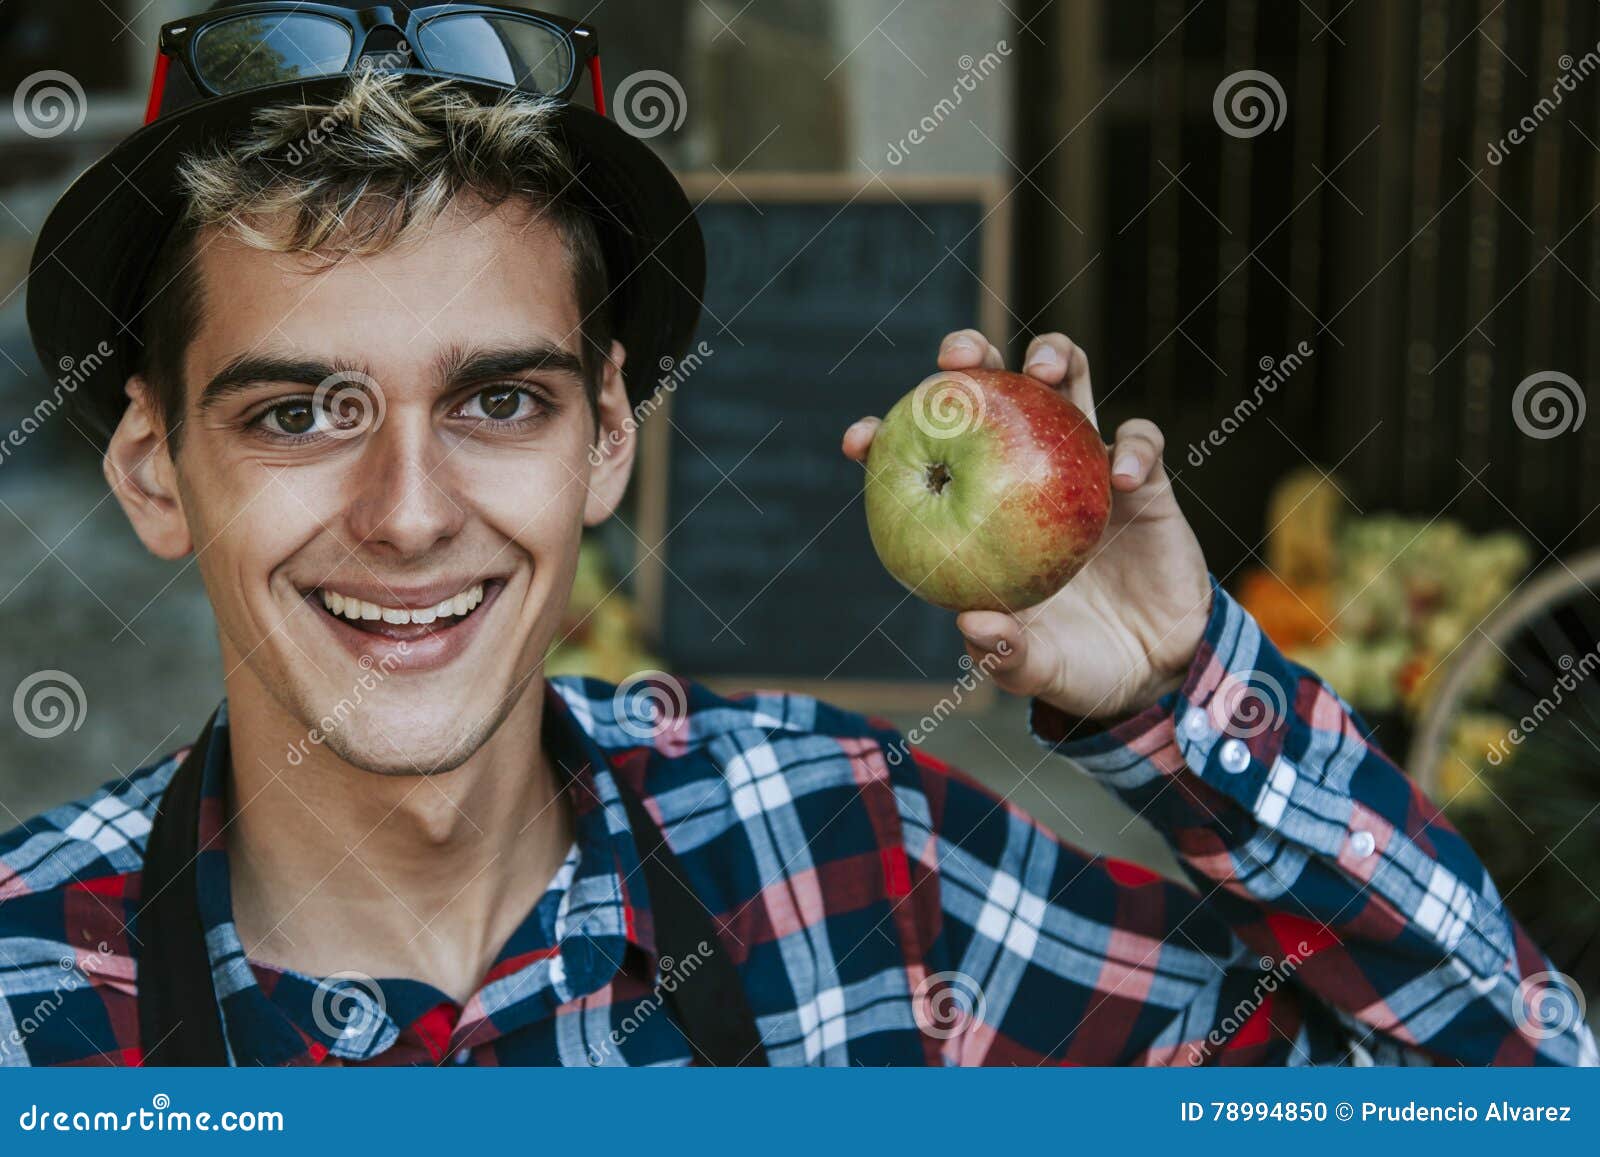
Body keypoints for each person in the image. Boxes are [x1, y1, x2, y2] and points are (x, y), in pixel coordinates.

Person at [2, 2, 1593, 1068]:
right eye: (297, 412)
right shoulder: (32, 998)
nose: (410, 512)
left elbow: (1514, 1087)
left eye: (499, 401)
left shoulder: (850, 857)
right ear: (153, 468)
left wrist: (1183, 695)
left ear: (607, 439)